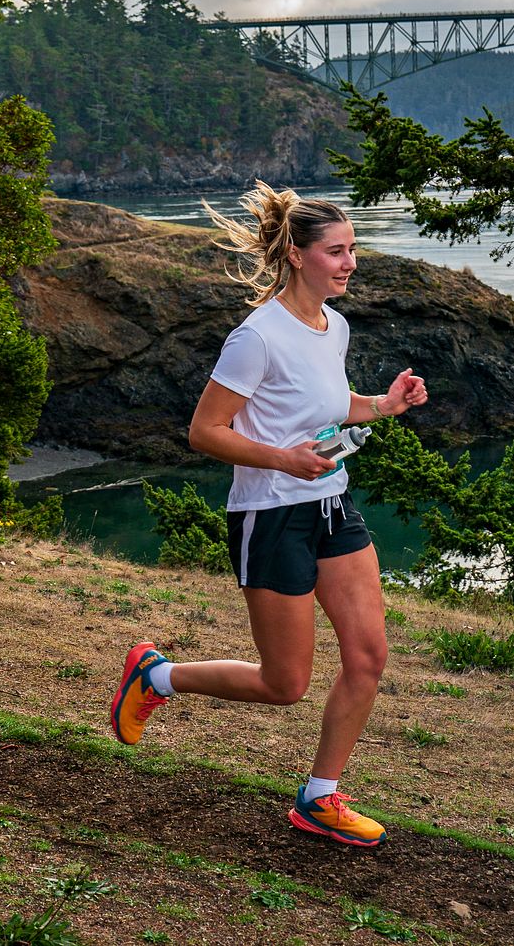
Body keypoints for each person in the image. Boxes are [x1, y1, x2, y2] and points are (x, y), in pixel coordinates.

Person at [109, 183, 427, 847]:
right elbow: (204, 430)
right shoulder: (255, 336)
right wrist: (283, 461)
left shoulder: (332, 326)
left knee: (367, 655)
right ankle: (156, 675)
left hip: (332, 505)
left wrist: (385, 404)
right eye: (336, 252)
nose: (349, 263)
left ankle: (321, 797)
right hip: (270, 514)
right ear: (295, 253)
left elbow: (330, 407)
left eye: (353, 251)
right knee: (286, 682)